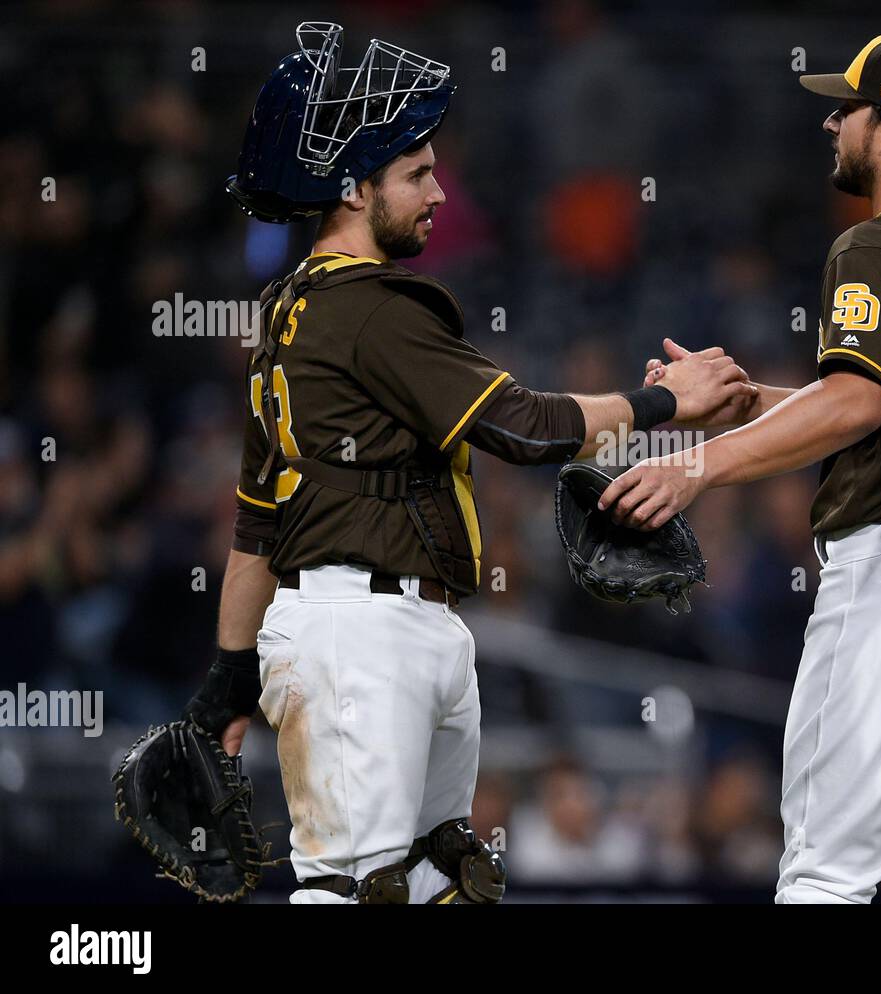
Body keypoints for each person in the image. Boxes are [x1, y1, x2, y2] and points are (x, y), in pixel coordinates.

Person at [180, 21, 753, 905]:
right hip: (357, 633)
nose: (439, 194)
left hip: (391, 625)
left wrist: (226, 681)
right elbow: (521, 427)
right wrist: (666, 404)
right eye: (415, 174)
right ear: (350, 186)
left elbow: (257, 524)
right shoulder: (375, 304)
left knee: (442, 880)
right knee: (347, 889)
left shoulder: (289, 315)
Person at [601, 32, 881, 903]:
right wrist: (753, 398)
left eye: (847, 108)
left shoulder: (877, 246)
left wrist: (695, 464)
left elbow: (858, 404)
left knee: (825, 874)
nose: (831, 124)